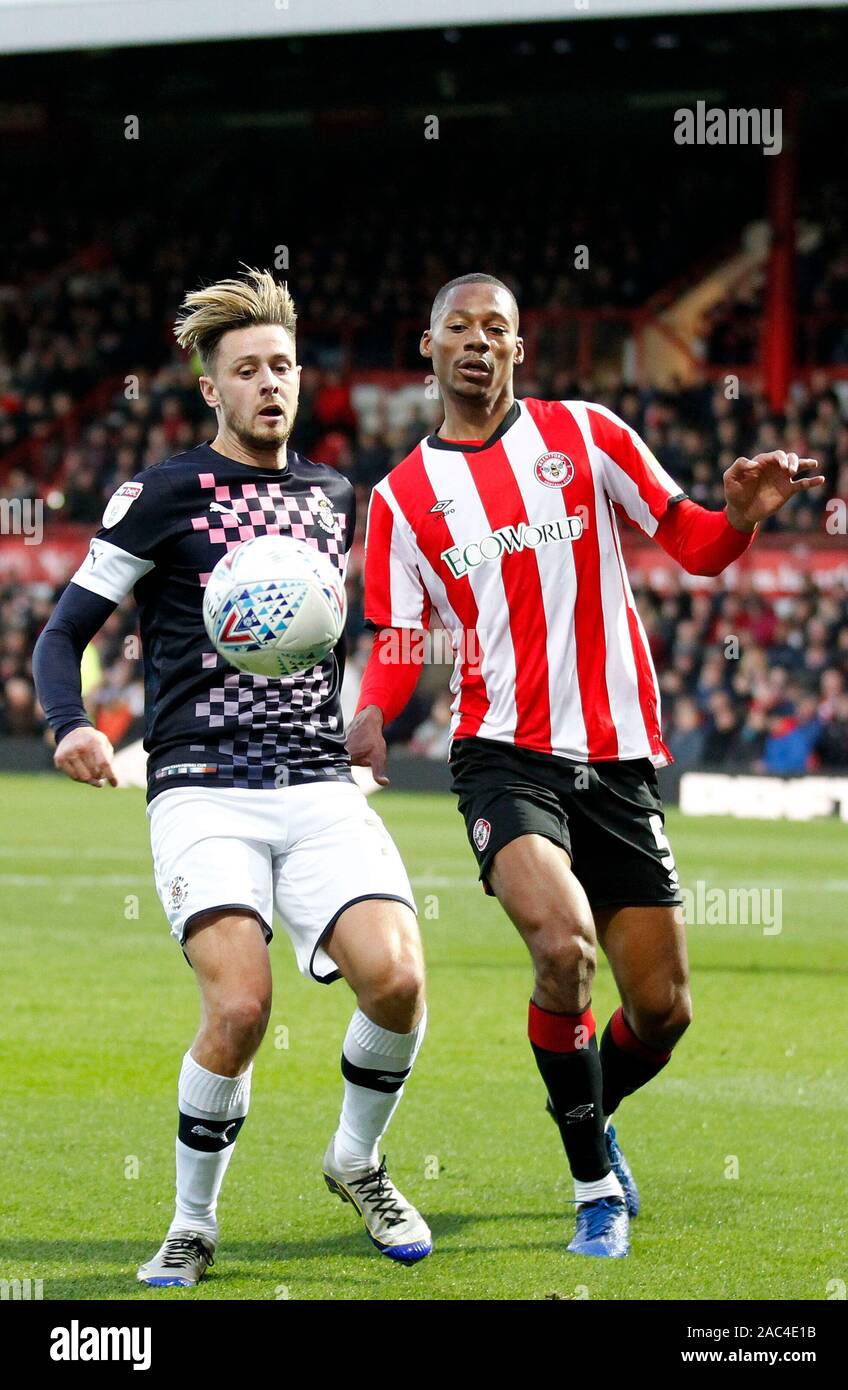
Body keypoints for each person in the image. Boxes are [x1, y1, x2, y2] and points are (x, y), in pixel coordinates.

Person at [347, 272, 823, 1259]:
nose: (478, 342)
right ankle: (591, 1186)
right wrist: (368, 718)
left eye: (498, 328)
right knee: (562, 950)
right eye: (458, 328)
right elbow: (402, 641)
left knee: (661, 1009)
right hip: (501, 755)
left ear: (519, 349)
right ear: (428, 347)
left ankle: (587, 1115)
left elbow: (691, 544)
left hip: (613, 758)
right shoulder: (400, 499)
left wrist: (738, 512)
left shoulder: (588, 434)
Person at [32, 268, 432, 1287]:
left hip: (315, 780)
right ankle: (191, 1221)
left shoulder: (333, 496)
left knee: (396, 978)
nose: (269, 384)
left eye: (282, 366)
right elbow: (64, 631)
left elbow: (354, 635)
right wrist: (69, 721)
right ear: (210, 387)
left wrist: (370, 718)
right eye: (247, 368)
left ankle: (355, 1161)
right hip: (202, 783)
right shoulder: (165, 493)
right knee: (240, 1006)